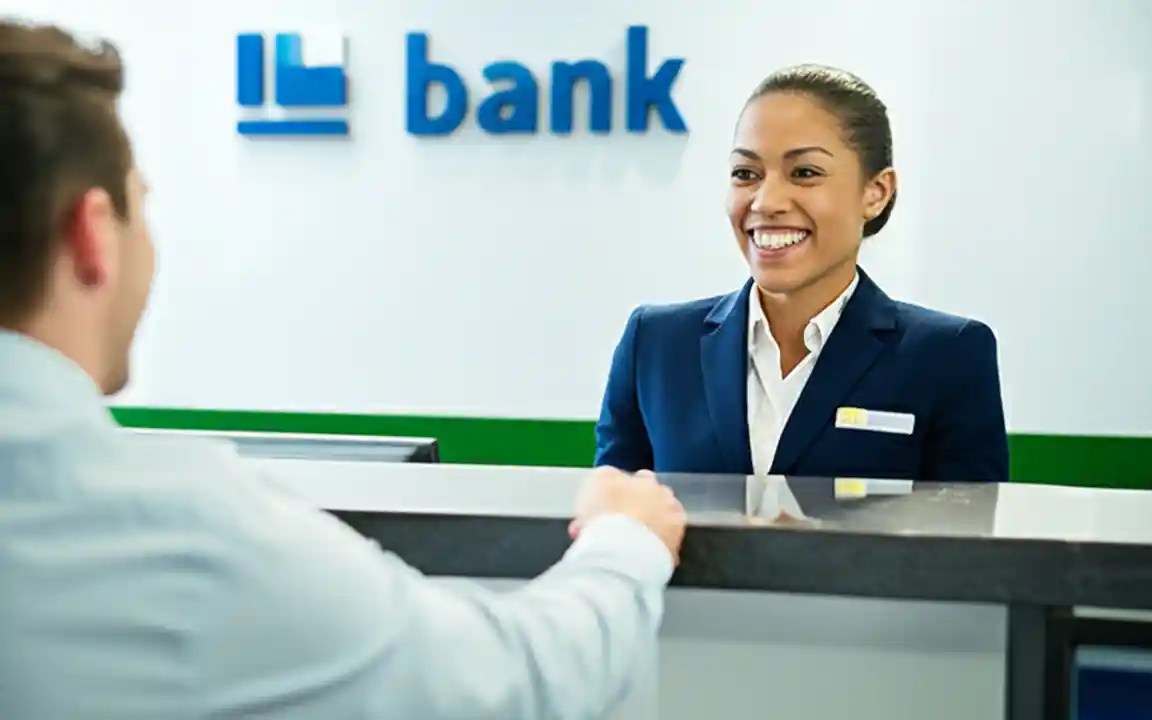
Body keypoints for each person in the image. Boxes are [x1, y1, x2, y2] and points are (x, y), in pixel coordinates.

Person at [0, 20, 686, 719]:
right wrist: (624, 543)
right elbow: (510, 681)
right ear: (92, 235)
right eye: (140, 204)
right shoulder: (171, 537)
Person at [595, 64, 1009, 482]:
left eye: (805, 173)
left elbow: (967, 544)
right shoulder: (656, 345)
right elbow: (614, 522)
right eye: (746, 174)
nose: (766, 200)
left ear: (876, 193)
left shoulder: (947, 355)